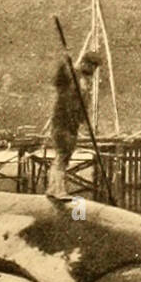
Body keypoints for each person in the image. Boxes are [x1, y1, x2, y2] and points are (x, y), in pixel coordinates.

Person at [46, 51, 102, 199]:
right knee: (62, 155)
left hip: (72, 124)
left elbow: (82, 104)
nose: (93, 71)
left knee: (64, 156)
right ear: (85, 63)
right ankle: (57, 190)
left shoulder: (85, 81)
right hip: (62, 121)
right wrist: (64, 62)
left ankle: (53, 188)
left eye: (95, 68)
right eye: (92, 66)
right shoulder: (73, 75)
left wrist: (83, 119)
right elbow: (59, 81)